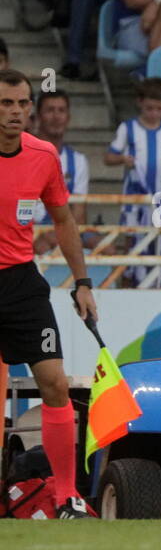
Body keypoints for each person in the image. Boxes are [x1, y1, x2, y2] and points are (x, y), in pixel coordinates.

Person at [0, 69, 99, 518]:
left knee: (56, 383)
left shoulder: (44, 155)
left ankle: (65, 496)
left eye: (22, 104)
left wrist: (82, 283)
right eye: (6, 104)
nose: (16, 112)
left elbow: (63, 221)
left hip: (22, 283)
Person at [105, 76, 161, 249]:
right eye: (149, 108)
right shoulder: (128, 128)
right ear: (139, 103)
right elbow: (108, 158)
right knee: (131, 242)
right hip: (134, 198)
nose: (154, 113)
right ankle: (129, 275)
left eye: (159, 109)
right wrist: (123, 159)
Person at [31, 92, 90, 231]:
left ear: (68, 118)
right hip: (31, 232)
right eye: (50, 110)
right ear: (38, 117)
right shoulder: (24, 155)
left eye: (61, 110)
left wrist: (62, 237)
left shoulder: (79, 161)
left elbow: (79, 213)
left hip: (66, 230)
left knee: (108, 250)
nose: (56, 117)